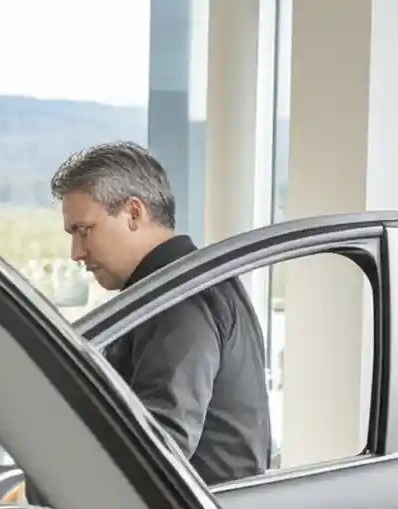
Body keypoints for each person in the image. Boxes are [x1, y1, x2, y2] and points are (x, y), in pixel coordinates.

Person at [50, 141, 270, 485]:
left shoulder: (175, 299)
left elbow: (160, 446)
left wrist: (62, 485)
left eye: (84, 230)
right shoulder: (178, 286)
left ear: (134, 213)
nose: (76, 252)